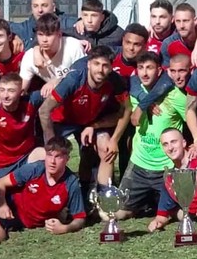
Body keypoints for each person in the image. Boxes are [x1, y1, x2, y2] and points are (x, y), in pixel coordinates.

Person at [38, 46, 130, 196]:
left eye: (105, 65)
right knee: (54, 156)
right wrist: (51, 143)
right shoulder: (74, 79)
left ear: (111, 67)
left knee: (105, 148)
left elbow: (126, 110)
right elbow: (44, 110)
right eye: (96, 64)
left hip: (90, 120)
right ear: (88, 64)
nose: (100, 70)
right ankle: (51, 194)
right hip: (63, 121)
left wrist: (114, 139)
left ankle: (102, 197)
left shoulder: (114, 80)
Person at [109, 51, 186, 220]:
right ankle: (142, 204)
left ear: (159, 70)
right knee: (115, 213)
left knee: (182, 213)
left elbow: (193, 117)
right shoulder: (134, 92)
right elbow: (123, 112)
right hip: (139, 164)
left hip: (167, 165)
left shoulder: (174, 95)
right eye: (141, 68)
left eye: (149, 68)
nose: (144, 73)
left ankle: (161, 206)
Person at [0, 137, 87, 234]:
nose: (52, 161)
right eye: (49, 155)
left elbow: (80, 219)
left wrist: (64, 228)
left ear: (67, 159)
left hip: (21, 223)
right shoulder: (34, 169)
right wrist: (2, 205)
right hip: (10, 208)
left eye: (58, 157)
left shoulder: (71, 183)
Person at [19, 14, 87, 93]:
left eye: (49, 35)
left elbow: (83, 76)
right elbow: (22, 89)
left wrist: (57, 81)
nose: (44, 40)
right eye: (40, 34)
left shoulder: (73, 46)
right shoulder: (30, 56)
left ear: (59, 34)